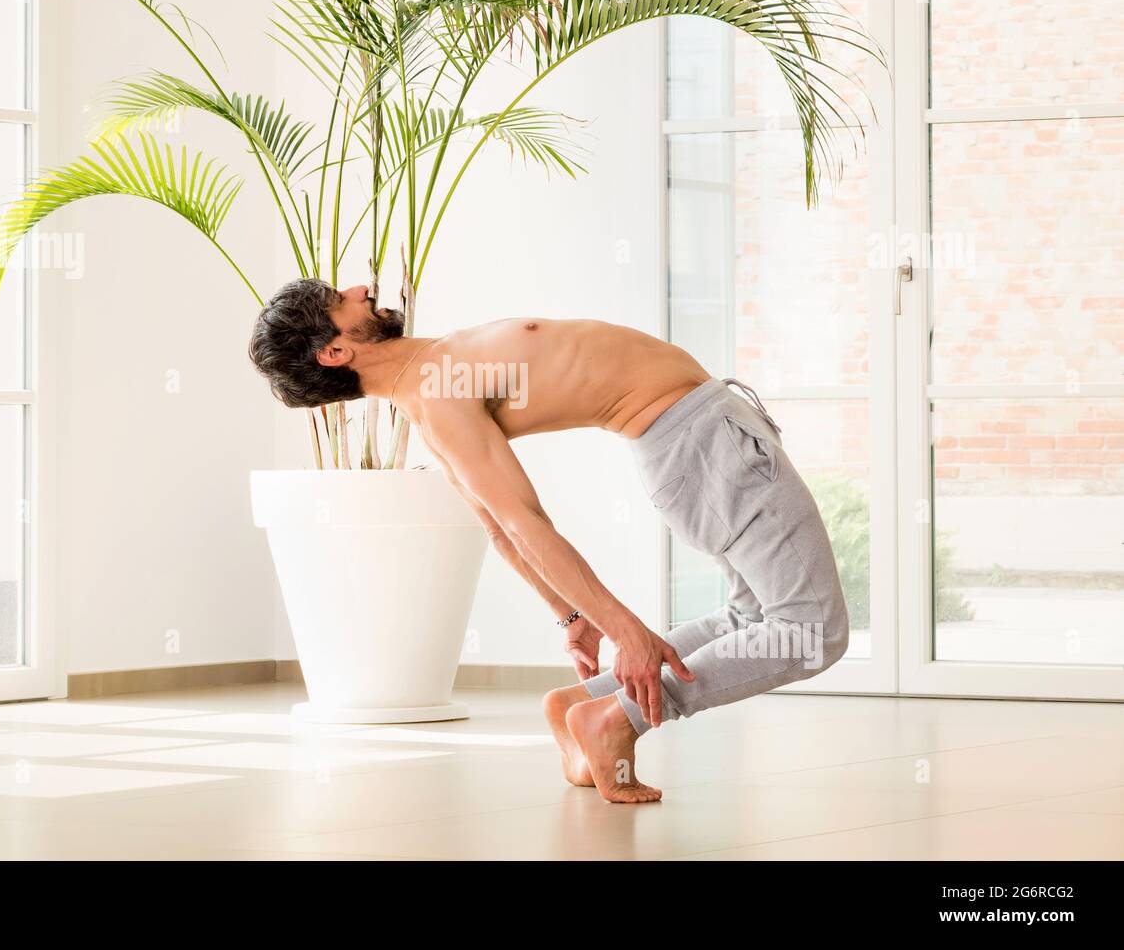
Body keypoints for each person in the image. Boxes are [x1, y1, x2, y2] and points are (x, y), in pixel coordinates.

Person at [250, 279, 849, 803]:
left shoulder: (432, 377)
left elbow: (500, 529)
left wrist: (571, 619)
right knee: (811, 630)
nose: (362, 289)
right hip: (701, 443)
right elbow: (517, 524)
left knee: (754, 616)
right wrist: (622, 630)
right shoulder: (436, 397)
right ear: (335, 350)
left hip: (693, 446)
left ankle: (583, 704)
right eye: (342, 300)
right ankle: (618, 716)